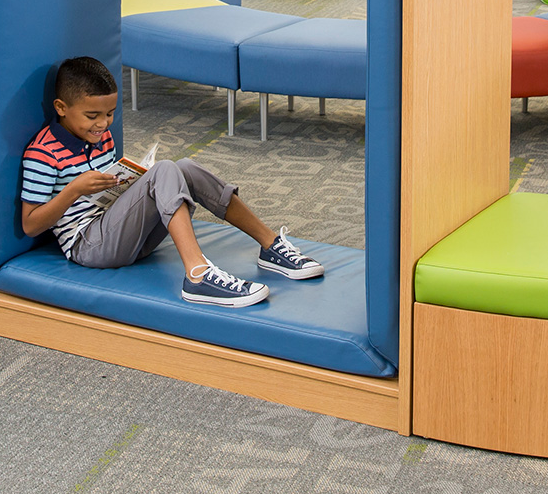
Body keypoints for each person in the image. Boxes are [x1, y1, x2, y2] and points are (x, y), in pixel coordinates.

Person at [21, 56, 323, 307]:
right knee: (166, 170)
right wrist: (73, 190)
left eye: (110, 114)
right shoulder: (43, 154)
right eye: (92, 116)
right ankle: (197, 275)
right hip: (89, 247)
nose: (102, 124)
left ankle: (270, 245)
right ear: (61, 108)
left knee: (185, 167)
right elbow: (31, 225)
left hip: (127, 236)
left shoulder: (100, 136)